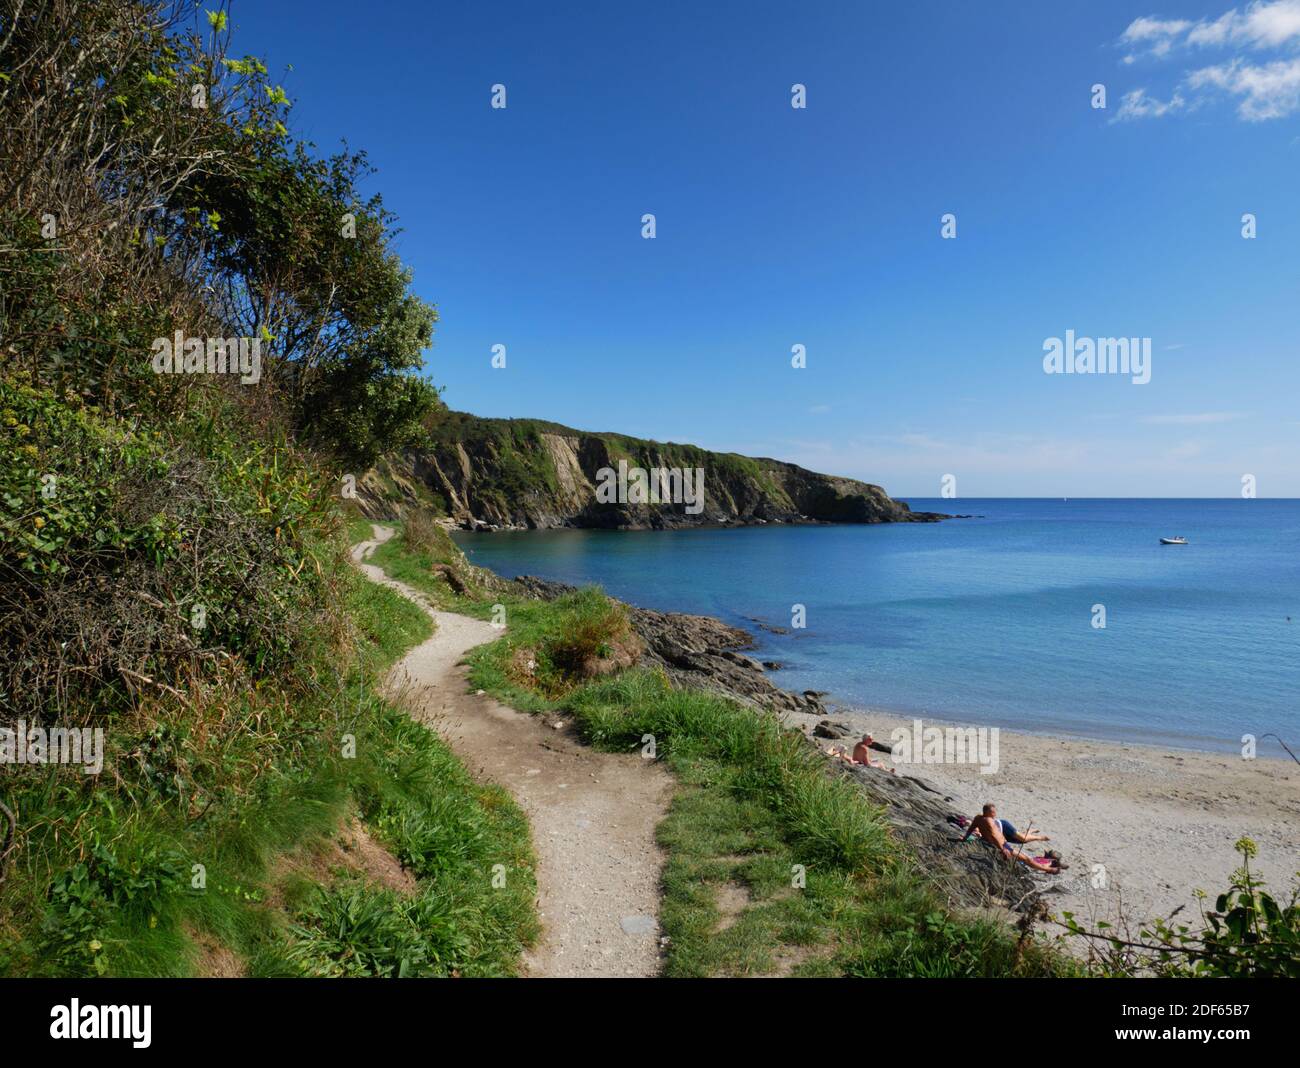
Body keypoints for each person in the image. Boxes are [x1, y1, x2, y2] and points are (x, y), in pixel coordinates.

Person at [961, 804, 1063, 873]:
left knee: (1024, 855)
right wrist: (1003, 849)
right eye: (993, 812)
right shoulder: (989, 821)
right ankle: (1049, 870)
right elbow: (993, 835)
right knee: (1026, 859)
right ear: (988, 812)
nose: (995, 814)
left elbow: (971, 828)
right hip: (1002, 846)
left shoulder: (978, 818)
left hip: (996, 844)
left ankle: (1047, 868)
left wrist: (965, 838)